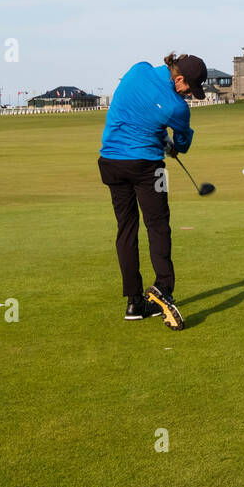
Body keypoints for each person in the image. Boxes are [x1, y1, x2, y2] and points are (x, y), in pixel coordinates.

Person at [98, 52, 207, 331]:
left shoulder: (139, 68)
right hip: (148, 168)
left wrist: (160, 133)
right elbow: (181, 143)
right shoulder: (177, 108)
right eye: (189, 90)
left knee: (126, 229)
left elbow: (138, 107)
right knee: (158, 225)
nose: (189, 96)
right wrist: (171, 143)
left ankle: (135, 303)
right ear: (179, 78)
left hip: (110, 163)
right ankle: (163, 289)